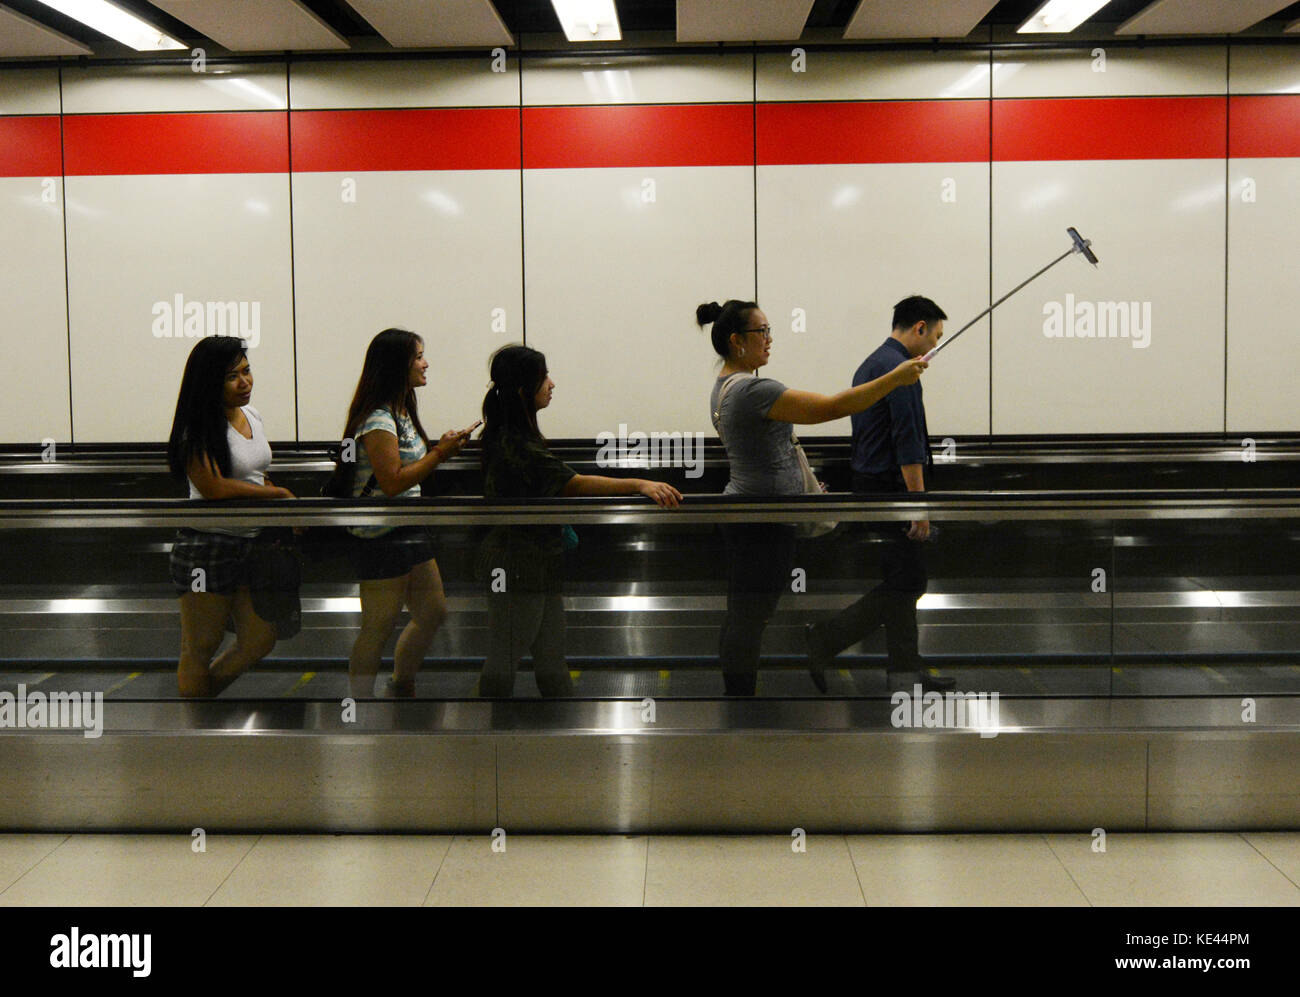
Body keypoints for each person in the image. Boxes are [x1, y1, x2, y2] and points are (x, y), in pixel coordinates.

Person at [699, 299, 928, 696]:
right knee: (750, 618)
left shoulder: (724, 386)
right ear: (737, 341)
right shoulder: (754, 390)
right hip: (762, 523)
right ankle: (739, 701)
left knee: (747, 615)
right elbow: (834, 406)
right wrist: (895, 378)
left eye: (770, 331)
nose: (769, 340)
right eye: (761, 332)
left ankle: (738, 698)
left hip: (750, 517)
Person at [477, 344, 681, 697]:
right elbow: (573, 483)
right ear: (525, 390)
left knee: (551, 654)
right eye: (544, 378)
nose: (552, 384)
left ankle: (558, 731)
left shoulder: (513, 435)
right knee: (507, 654)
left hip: (536, 556)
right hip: (517, 560)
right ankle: (488, 740)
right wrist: (639, 483)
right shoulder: (517, 443)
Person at [806, 295, 956, 693]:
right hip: (894, 490)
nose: (935, 348)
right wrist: (919, 508)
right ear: (919, 328)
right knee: (909, 582)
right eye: (935, 337)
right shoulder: (901, 372)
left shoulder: (871, 365)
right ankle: (827, 637)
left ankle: (906, 671)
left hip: (868, 484)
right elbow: (907, 442)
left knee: (902, 578)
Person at [340, 328, 475, 698]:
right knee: (378, 625)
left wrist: (442, 449)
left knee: (432, 611)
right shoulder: (380, 419)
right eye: (418, 356)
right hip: (381, 535)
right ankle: (358, 704)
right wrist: (439, 455)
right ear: (397, 365)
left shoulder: (402, 410)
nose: (425, 363)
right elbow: (393, 481)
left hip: (408, 528)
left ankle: (402, 684)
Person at [167, 336, 294, 698]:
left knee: (259, 638)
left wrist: (282, 505)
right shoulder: (197, 429)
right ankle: (194, 728)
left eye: (247, 371)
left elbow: (255, 473)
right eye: (232, 376)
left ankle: (202, 699)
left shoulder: (252, 416)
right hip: (207, 546)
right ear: (209, 382)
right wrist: (279, 496)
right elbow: (214, 488)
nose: (245, 382)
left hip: (252, 544)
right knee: (200, 645)